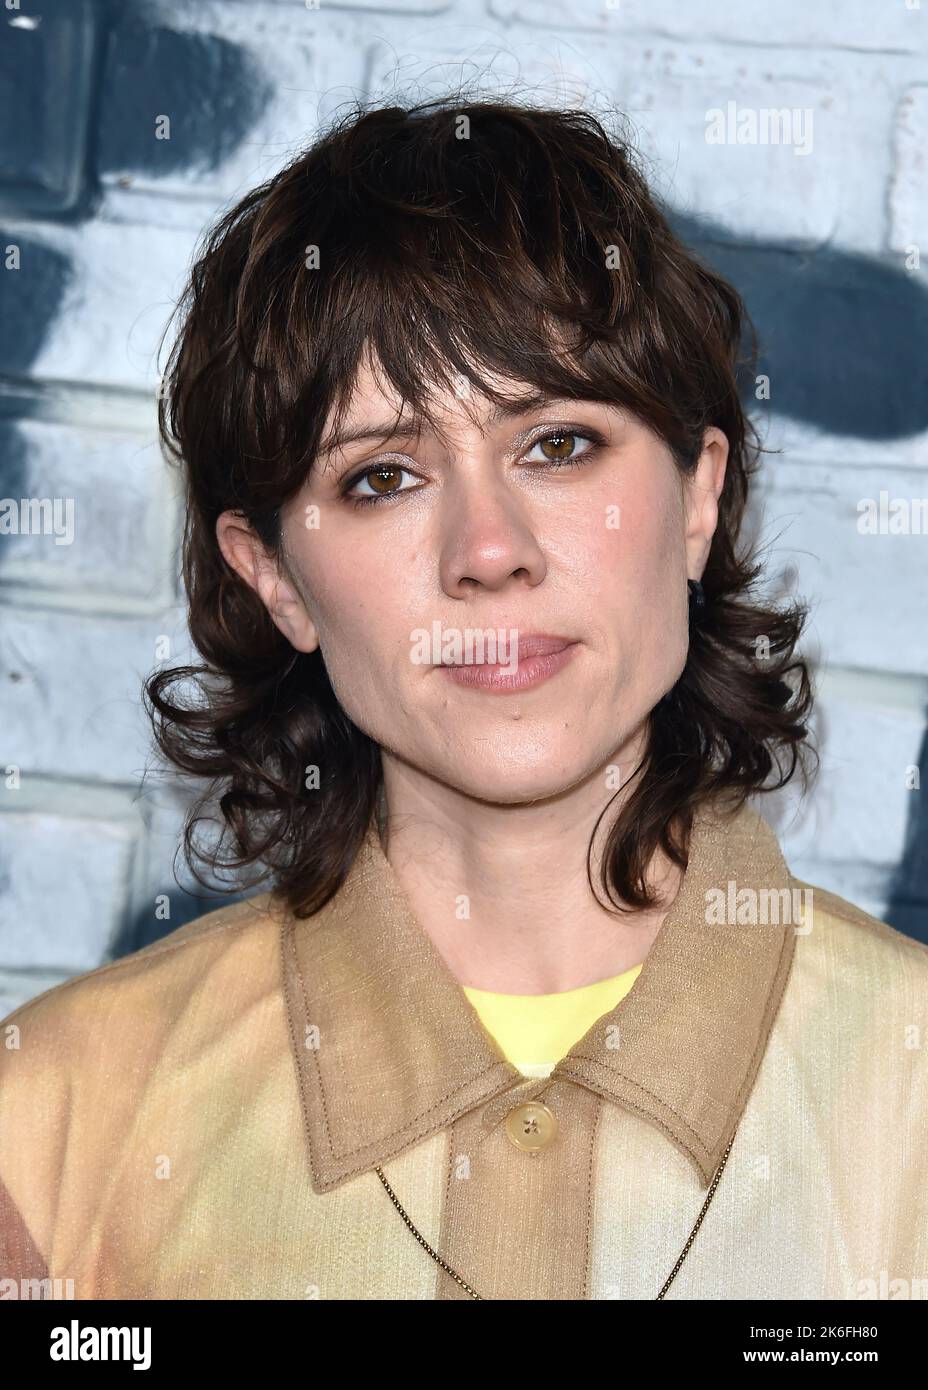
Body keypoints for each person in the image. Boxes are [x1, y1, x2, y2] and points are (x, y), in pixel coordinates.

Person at [1, 94, 926, 1302]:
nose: (487, 549)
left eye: (557, 445)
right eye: (383, 475)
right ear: (275, 576)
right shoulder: (47, 1129)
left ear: (699, 496)